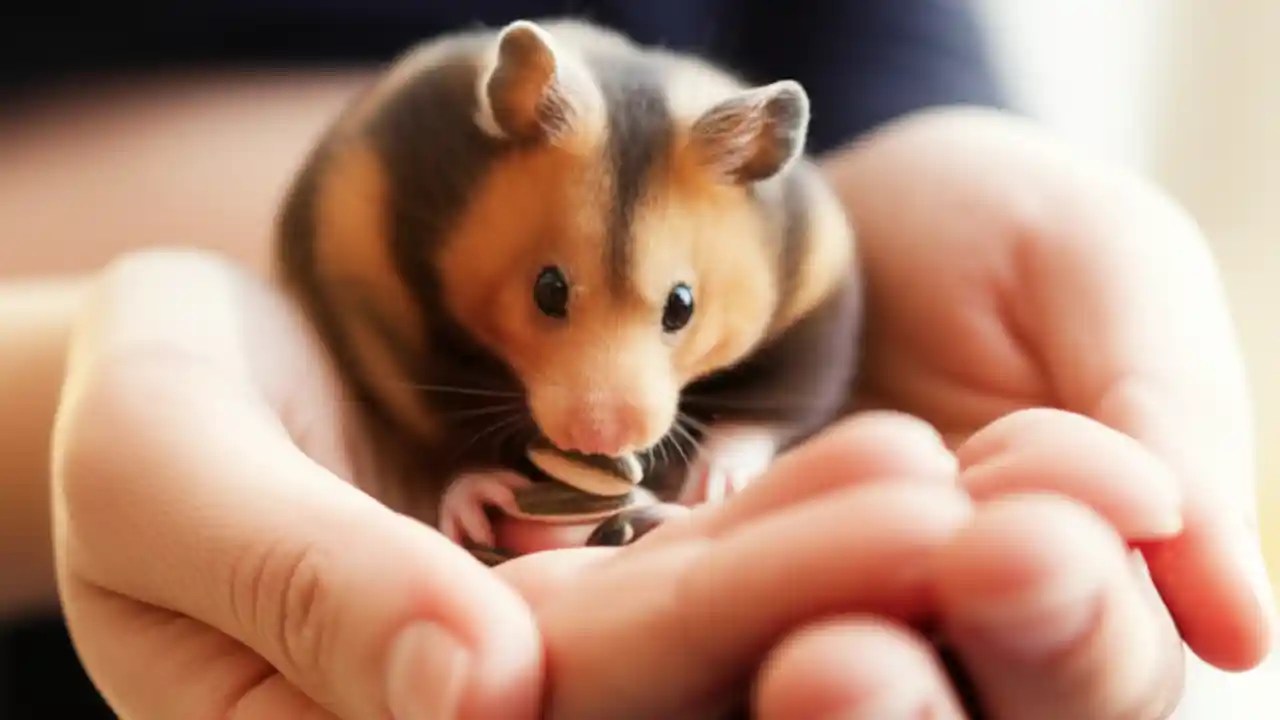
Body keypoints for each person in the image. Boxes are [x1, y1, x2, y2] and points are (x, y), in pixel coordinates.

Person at [2, 1, 1276, 717]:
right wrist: (62, 396)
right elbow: (350, 248)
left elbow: (881, 88)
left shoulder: (800, 241)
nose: (606, 410)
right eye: (554, 296)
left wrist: (755, 431)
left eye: (671, 312)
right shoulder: (400, 186)